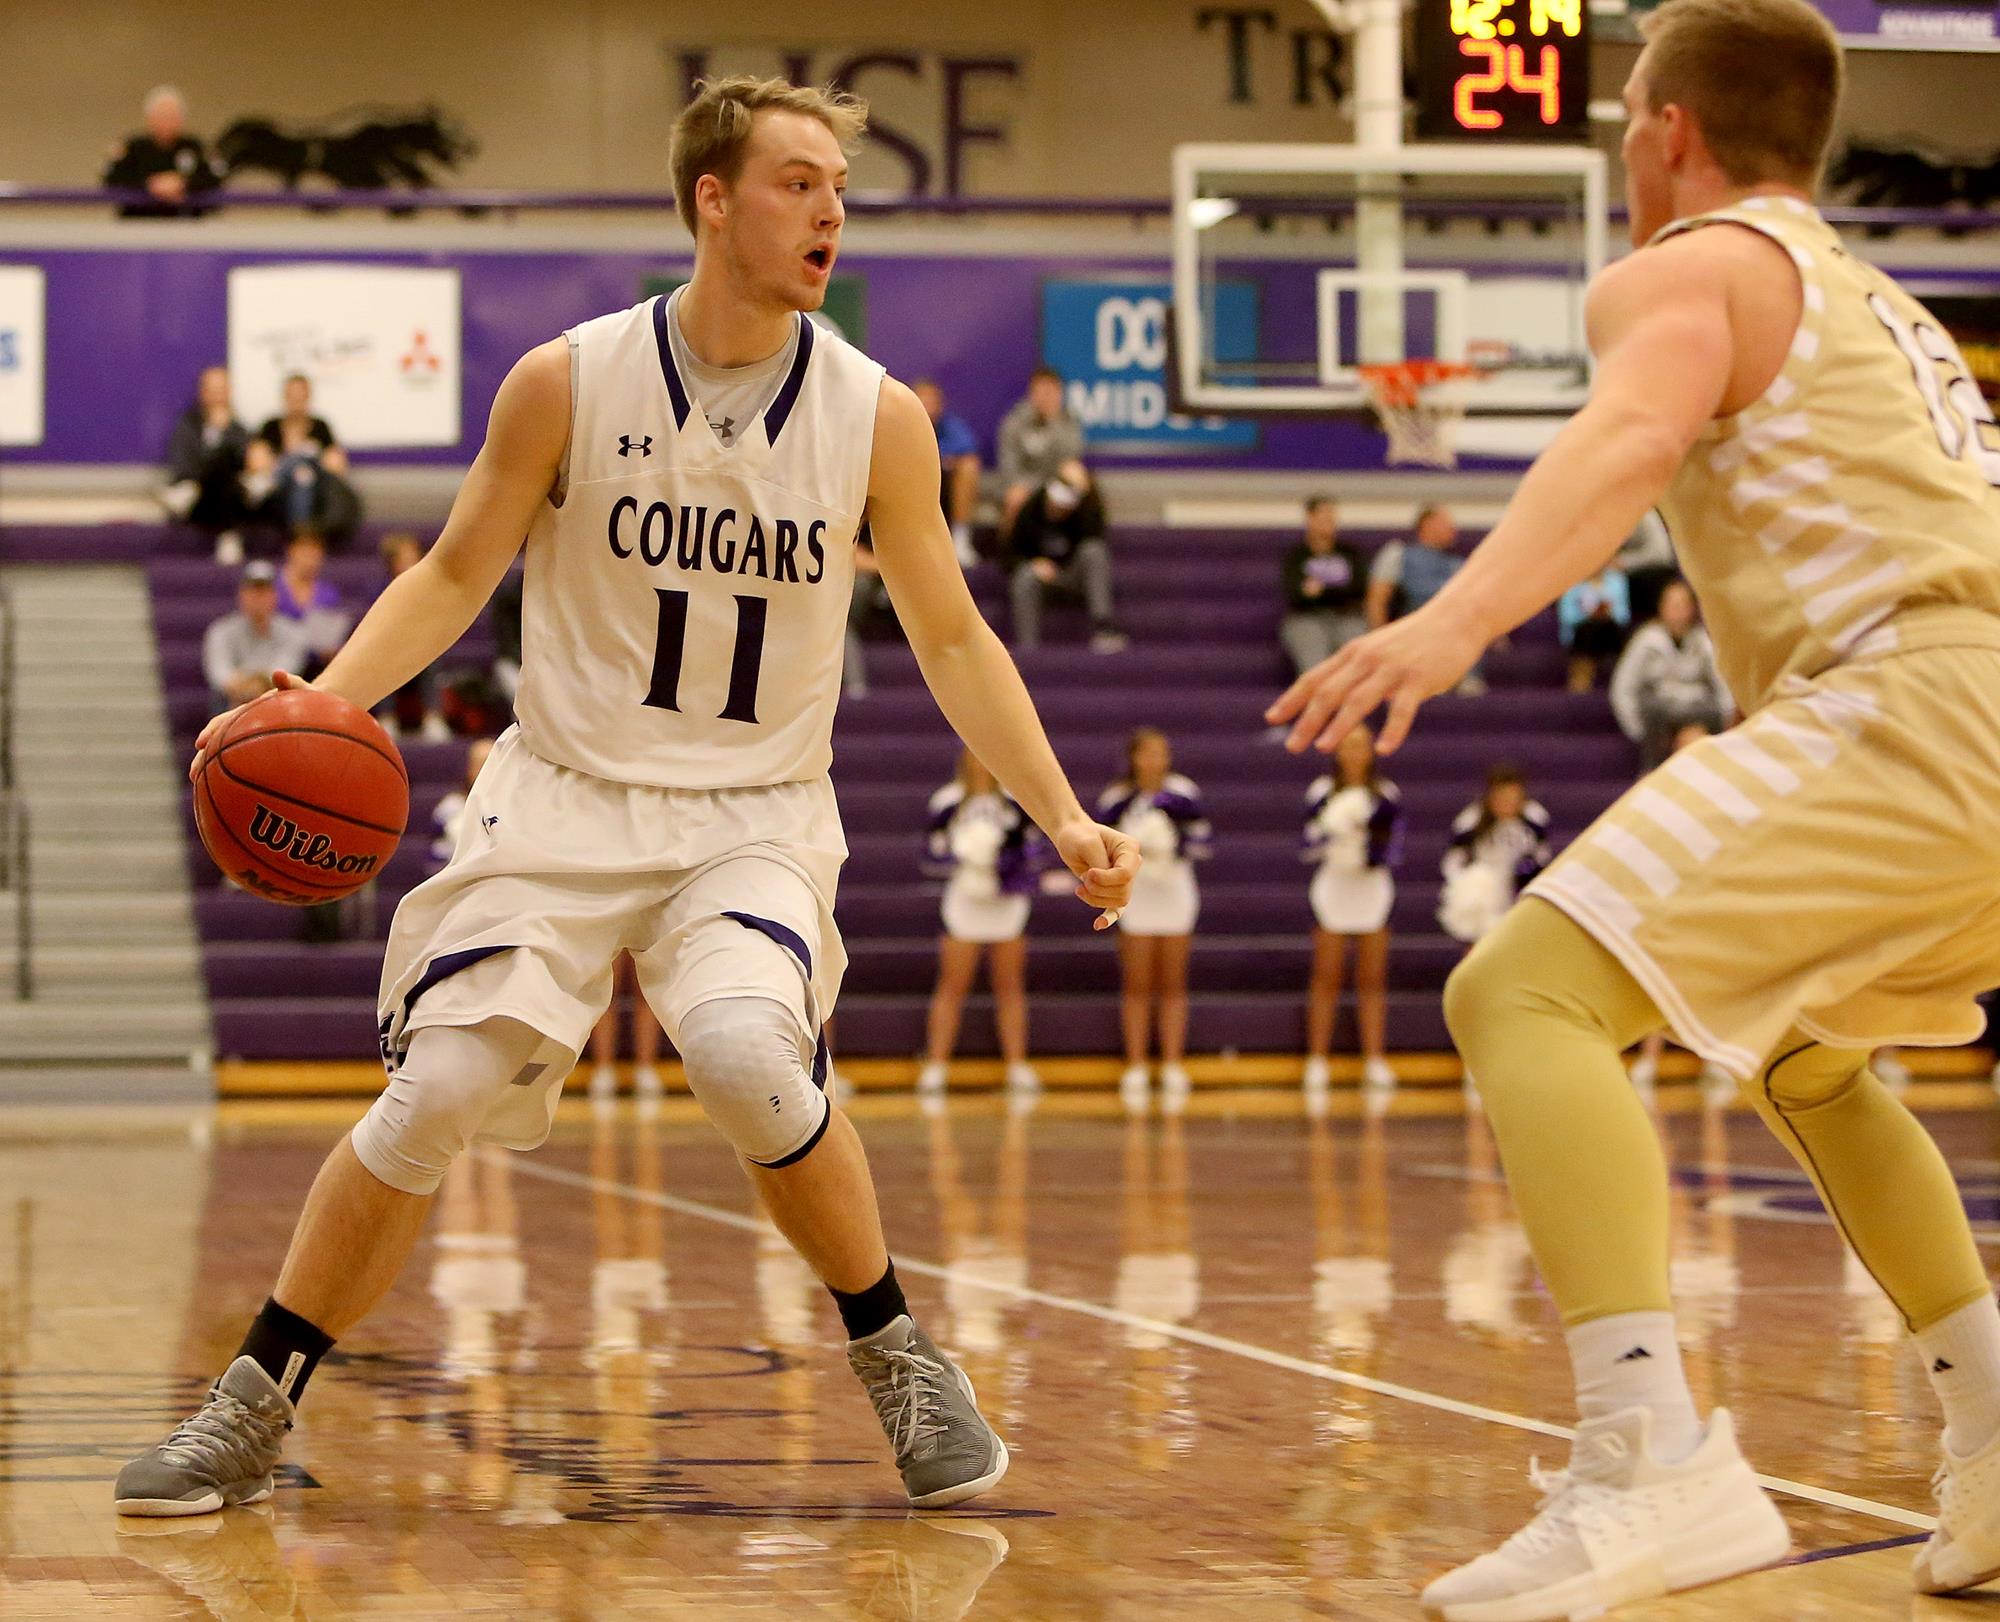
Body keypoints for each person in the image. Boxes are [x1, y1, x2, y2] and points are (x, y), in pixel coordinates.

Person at [120, 75, 1138, 1523]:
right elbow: (458, 572)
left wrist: (1062, 814)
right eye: (798, 179)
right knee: (441, 1091)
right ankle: (253, 1396)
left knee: (739, 1048)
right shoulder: (568, 378)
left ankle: (901, 1354)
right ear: (711, 200)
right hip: (564, 800)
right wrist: (324, 703)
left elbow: (956, 636)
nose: (832, 205)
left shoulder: (877, 417)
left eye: (840, 183)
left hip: (755, 812)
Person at [1269, 0, 2000, 1610]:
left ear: (1665, 128)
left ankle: (1649, 1458)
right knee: (1809, 1052)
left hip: (1910, 695)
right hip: (1974, 709)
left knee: (1519, 988)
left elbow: (1626, 435)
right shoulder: (1883, 300)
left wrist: (1452, 618)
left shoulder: (1690, 264)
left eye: (1624, 130)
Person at [916, 749, 1044, 1101]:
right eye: (974, 755)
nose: (981, 761)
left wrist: (1004, 862)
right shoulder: (948, 800)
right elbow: (930, 853)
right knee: (952, 983)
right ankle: (937, 1066)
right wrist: (964, 856)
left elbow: (1033, 848)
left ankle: (1017, 1066)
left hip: (1006, 903)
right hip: (965, 902)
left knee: (1010, 984)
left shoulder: (1015, 801)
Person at [1100, 729, 1209, 1113]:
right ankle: (1136, 1064)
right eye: (1146, 753)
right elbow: (1101, 849)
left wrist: (1171, 844)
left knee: (1173, 980)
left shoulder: (1183, 793)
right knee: (1137, 981)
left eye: (1160, 753)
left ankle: (1173, 1063)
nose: (1153, 761)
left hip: (1175, 892)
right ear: (1133, 758)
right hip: (1137, 895)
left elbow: (1201, 839)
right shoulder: (1117, 799)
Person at [1301, 723, 1404, 1105]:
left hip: (1371, 888)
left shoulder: (1385, 794)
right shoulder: (1321, 792)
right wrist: (1335, 837)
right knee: (1326, 975)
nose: (1355, 753)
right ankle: (1317, 1059)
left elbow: (1395, 845)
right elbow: (1307, 843)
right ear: (1337, 751)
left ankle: (1375, 1059)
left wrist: (1370, 850)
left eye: (1362, 745)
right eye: (1348, 745)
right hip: (1334, 887)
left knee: (1372, 978)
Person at [1609, 575, 1732, 769]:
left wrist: (1727, 720)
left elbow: (1723, 683)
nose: (1677, 610)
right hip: (1659, 715)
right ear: (1661, 606)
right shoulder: (1646, 640)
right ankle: (1653, 773)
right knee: (1654, 716)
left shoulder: (1703, 641)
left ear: (1693, 608)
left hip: (1697, 710)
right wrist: (1638, 730)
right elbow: (1623, 687)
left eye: (1683, 604)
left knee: (1705, 725)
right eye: (1672, 604)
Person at [1006, 460, 1125, 653]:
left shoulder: (1084, 510)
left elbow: (1096, 535)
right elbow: (1009, 556)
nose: (1058, 512)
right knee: (1024, 576)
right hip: (1042, 579)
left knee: (1094, 551)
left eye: (1064, 509)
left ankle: (1103, 628)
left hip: (1073, 574)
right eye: (1055, 506)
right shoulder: (1031, 509)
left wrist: (1089, 492)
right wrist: (1034, 563)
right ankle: (1028, 647)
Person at [1366, 505, 1483, 695]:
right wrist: (1381, 644)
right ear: (1427, 525)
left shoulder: (1458, 564)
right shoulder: (1397, 554)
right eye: (1446, 523)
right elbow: (1377, 600)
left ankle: (1465, 679)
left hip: (1455, 635)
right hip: (1413, 631)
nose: (1453, 529)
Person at [1437, 765, 1552, 947]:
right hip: (1484, 891)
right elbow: (1453, 861)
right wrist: (1466, 883)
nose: (1507, 804)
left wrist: (1525, 873)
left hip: (1519, 887)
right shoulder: (1471, 820)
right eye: (1501, 798)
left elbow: (1543, 856)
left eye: (1513, 798)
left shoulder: (1535, 818)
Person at [246, 374, 362, 545]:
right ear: (284, 397)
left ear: (308, 397)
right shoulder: (270, 427)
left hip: (315, 490)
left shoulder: (321, 427)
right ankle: (302, 535)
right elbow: (255, 462)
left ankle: (299, 534)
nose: (296, 401)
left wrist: (302, 455)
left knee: (303, 471)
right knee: (300, 470)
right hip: (279, 494)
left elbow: (337, 465)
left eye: (301, 395)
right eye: (292, 396)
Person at [161, 366, 253, 562]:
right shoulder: (187, 426)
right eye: (214, 390)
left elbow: (245, 467)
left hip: (227, 501)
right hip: (198, 502)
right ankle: (227, 533)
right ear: (203, 393)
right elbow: (182, 465)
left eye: (223, 390)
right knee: (218, 467)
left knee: (224, 466)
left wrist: (221, 434)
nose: (219, 396)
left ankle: (228, 535)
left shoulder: (239, 430)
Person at [200, 561, 309, 712]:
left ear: (274, 596)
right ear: (241, 595)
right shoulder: (220, 631)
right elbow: (219, 672)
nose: (258, 598)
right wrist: (244, 686)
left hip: (277, 699)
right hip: (232, 701)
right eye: (253, 591)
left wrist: (259, 684)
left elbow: (288, 669)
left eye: (264, 591)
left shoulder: (292, 632)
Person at [1279, 495, 1369, 678]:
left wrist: (1321, 590)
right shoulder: (1297, 557)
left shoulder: (1349, 553)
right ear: (1310, 519)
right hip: (1306, 618)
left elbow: (1359, 587)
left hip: (1347, 616)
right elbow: (1296, 593)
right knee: (1315, 665)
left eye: (1331, 517)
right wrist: (1337, 589)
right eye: (1322, 517)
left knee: (1357, 661)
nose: (1328, 522)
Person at [102, 86, 222, 218]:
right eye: (162, 116)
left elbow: (215, 179)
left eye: (172, 116)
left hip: (185, 225)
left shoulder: (196, 147)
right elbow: (111, 179)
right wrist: (150, 185)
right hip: (138, 225)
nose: (167, 122)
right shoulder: (132, 148)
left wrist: (183, 183)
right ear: (150, 118)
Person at [914, 378, 981, 567]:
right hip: (913, 486)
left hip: (947, 487)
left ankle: (960, 538)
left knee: (969, 465)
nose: (928, 407)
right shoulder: (902, 424)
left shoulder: (950, 426)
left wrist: (942, 459)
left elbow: (968, 448)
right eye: (923, 401)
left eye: (932, 402)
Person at [274, 531, 352, 675]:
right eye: (305, 553)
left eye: (315, 555)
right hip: (277, 661)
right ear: (291, 551)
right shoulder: (271, 588)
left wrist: (332, 648)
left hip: (316, 666)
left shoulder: (329, 593)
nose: (310, 560)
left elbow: (332, 630)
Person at [1558, 563, 1632, 692]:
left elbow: (1623, 616)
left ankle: (1624, 685)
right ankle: (1580, 683)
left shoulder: (1617, 580)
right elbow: (1567, 616)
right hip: (1581, 633)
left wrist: (1605, 611)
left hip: (1610, 631)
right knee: (1589, 629)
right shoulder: (1571, 581)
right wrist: (1588, 612)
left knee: (1605, 626)